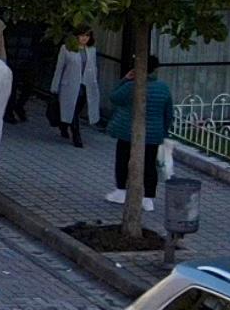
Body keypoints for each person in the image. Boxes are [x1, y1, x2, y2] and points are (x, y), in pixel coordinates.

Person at [104, 54, 173, 209]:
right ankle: (148, 198)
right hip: (153, 134)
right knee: (149, 165)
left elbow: (114, 97)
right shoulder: (163, 88)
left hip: (128, 132)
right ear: (155, 69)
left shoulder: (132, 86)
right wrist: (163, 131)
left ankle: (121, 191)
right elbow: (169, 113)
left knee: (123, 159)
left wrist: (125, 79)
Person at [49, 30, 99, 147]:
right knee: (73, 108)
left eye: (87, 36)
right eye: (82, 35)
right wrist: (55, 86)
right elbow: (59, 68)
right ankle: (76, 135)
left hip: (84, 84)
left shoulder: (91, 50)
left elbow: (93, 67)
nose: (84, 38)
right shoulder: (66, 49)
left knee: (77, 108)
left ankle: (64, 125)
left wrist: (94, 83)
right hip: (69, 85)